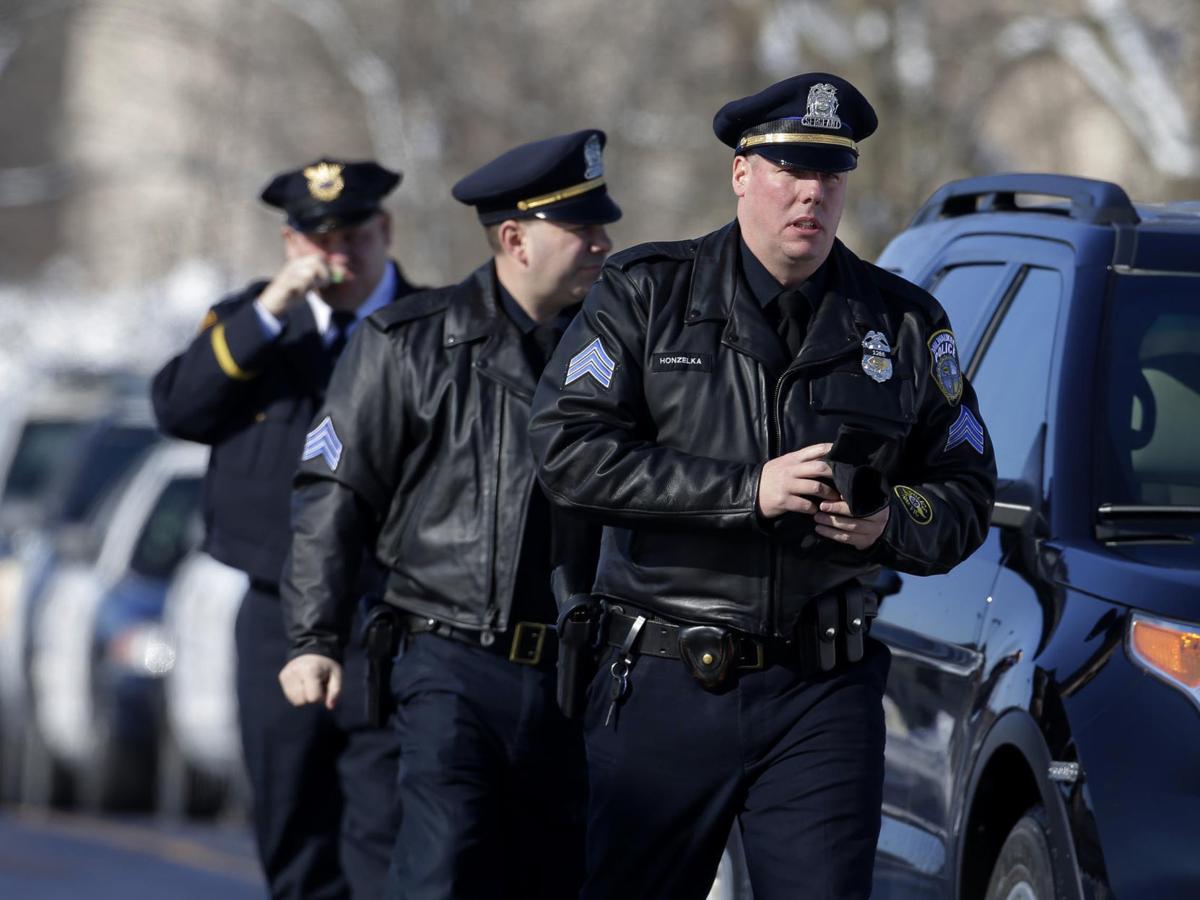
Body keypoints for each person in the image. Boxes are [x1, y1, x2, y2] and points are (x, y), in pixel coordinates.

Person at [528, 74, 998, 900]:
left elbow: (966, 485)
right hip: (667, 678)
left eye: (830, 173)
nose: (810, 193)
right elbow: (568, 452)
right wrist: (747, 491)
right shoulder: (646, 295)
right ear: (741, 174)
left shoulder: (904, 322)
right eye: (788, 168)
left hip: (822, 691)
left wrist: (890, 521)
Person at [276, 130, 620, 899]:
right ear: (515, 239)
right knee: (443, 870)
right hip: (448, 662)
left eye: (603, 225)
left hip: (572, 678)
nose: (603, 243)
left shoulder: (617, 352)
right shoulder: (409, 344)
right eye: (581, 228)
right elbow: (333, 492)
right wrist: (314, 637)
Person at [152, 158, 418, 900]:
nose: (336, 255)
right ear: (289, 241)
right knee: (290, 821)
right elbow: (179, 409)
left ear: (385, 229)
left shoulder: (434, 325)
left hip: (391, 613)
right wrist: (271, 308)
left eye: (353, 235)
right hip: (276, 610)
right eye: (316, 238)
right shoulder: (254, 325)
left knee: (387, 827)